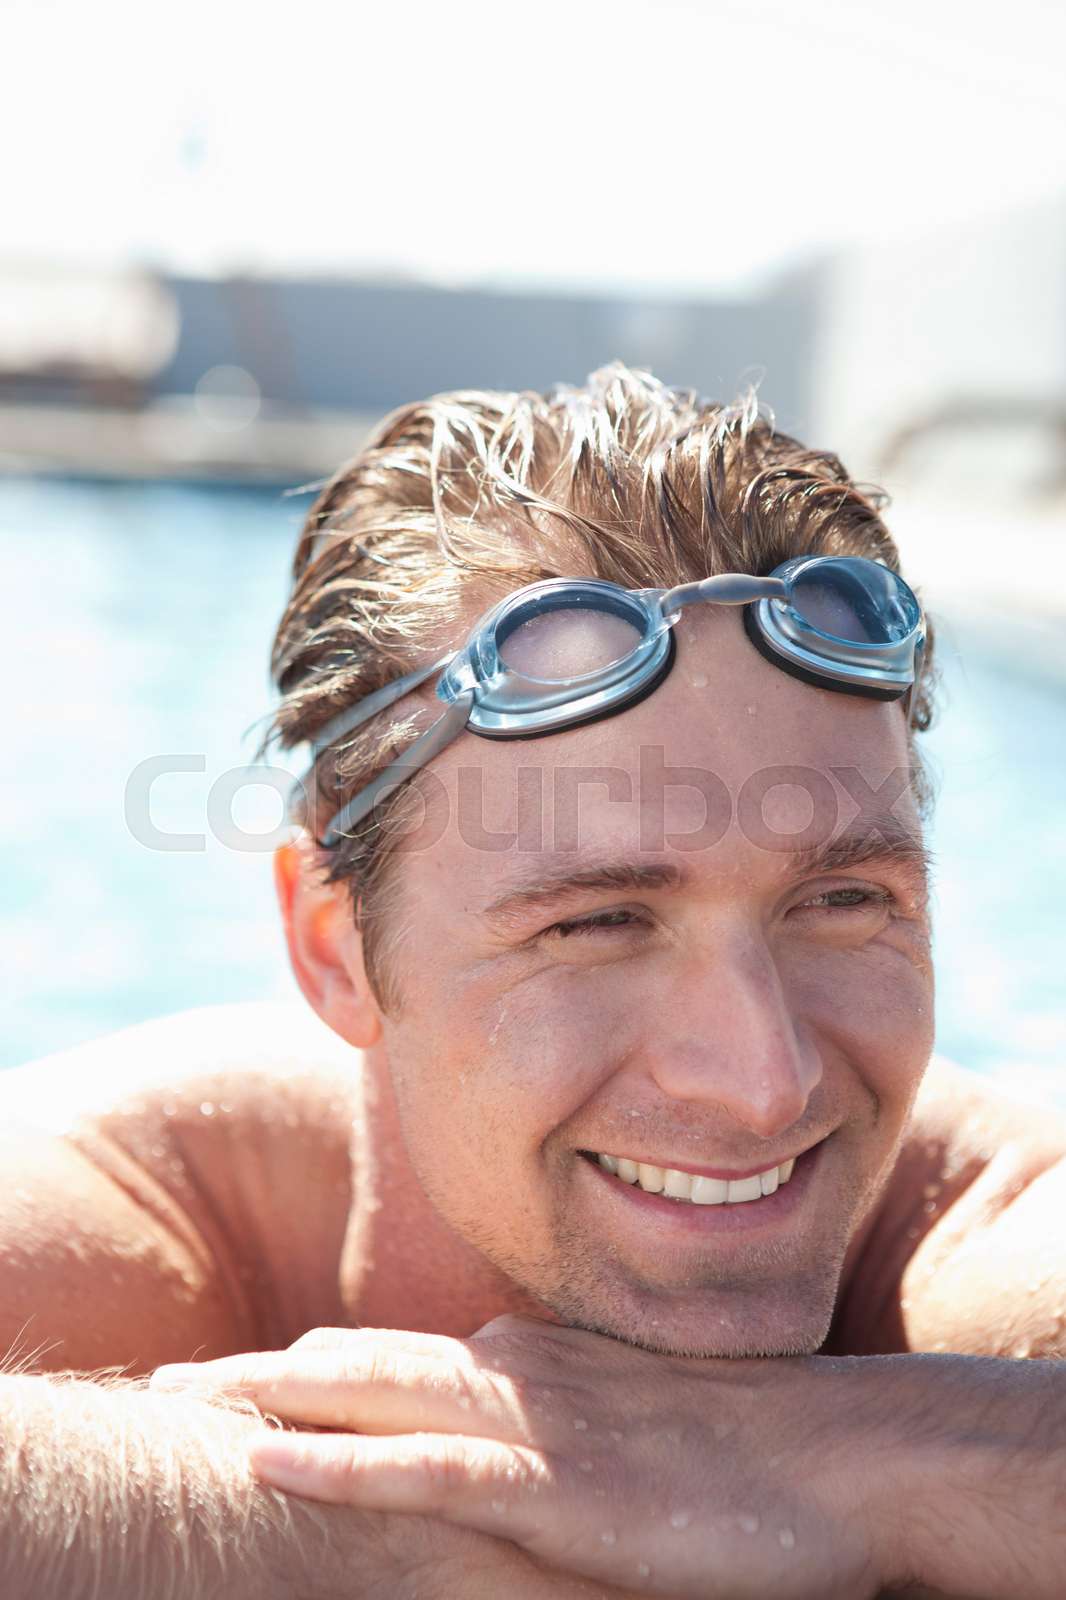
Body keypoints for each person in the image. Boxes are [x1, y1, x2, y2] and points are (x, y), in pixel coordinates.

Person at [2, 364, 1064, 1600]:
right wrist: (434, 1521)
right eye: (598, 923)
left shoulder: (988, 1240)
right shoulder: (137, 1214)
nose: (761, 1083)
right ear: (334, 949)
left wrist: (833, 1452)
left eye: (841, 903)